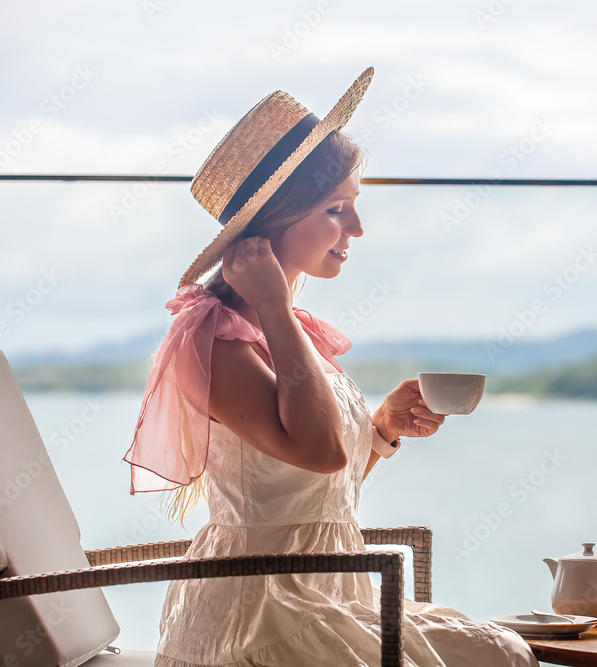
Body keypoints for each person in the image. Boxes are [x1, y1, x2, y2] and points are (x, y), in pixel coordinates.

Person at [123, 67, 539, 667]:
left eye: (355, 206)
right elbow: (319, 450)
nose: (357, 228)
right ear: (274, 222)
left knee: (504, 648)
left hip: (331, 590)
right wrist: (271, 304)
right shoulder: (215, 338)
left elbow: (314, 496)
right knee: (499, 659)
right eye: (337, 209)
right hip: (260, 611)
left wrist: (384, 428)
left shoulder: (290, 333)